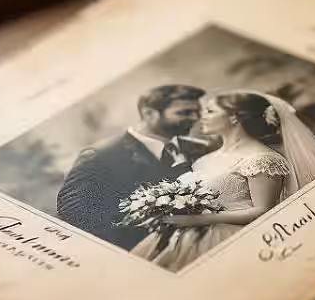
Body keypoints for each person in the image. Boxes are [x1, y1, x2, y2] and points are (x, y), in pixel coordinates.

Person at [131, 91, 315, 271]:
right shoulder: (204, 158)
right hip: (186, 235)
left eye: (210, 111)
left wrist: (199, 220)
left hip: (229, 238)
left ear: (233, 117)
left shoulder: (261, 159)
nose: (202, 117)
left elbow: (264, 211)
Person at [56, 84, 207, 249]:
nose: (195, 118)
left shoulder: (201, 149)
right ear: (149, 113)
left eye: (197, 112)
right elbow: (75, 212)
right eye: (184, 113)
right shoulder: (100, 156)